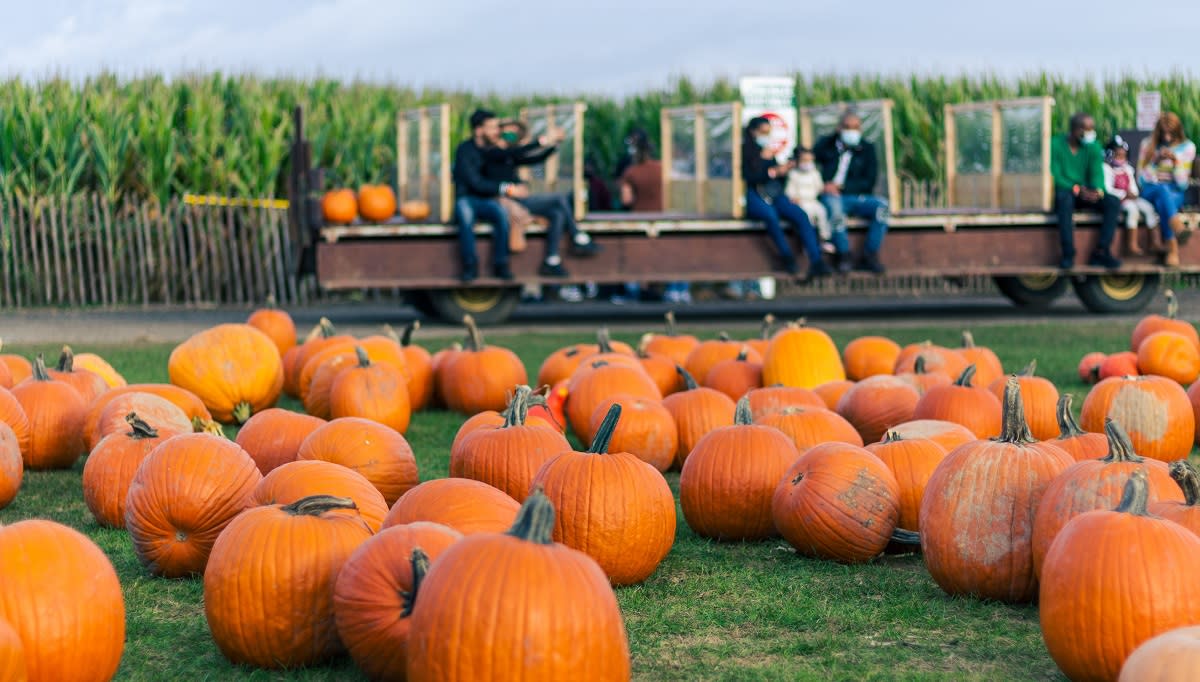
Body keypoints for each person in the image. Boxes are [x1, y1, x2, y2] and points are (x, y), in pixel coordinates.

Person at [482, 119, 602, 277]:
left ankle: (552, 259)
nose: (512, 135)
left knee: (557, 214)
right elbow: (519, 153)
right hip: (510, 202)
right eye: (509, 131)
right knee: (559, 199)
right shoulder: (494, 152)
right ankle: (577, 235)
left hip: (519, 199)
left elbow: (533, 158)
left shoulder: (509, 156)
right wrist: (543, 140)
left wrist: (554, 145)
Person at [742, 116, 830, 282]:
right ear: (753, 132)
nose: (765, 136)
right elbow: (750, 176)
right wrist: (768, 167)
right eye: (762, 132)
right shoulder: (745, 151)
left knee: (800, 215)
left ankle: (816, 260)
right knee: (770, 216)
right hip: (754, 195)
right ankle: (787, 257)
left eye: (768, 133)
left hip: (774, 194)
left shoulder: (768, 151)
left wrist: (784, 169)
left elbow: (775, 178)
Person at [618, 129, 688, 302]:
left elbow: (626, 200)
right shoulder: (663, 168)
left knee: (638, 258)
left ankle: (633, 292)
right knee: (670, 255)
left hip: (639, 221)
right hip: (663, 219)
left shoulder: (630, 172)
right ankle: (677, 291)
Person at [813, 111, 888, 273]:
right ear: (839, 128)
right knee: (835, 210)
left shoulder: (867, 149)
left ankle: (870, 254)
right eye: (847, 127)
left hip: (856, 195)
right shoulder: (826, 145)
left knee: (882, 207)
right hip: (831, 196)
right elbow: (809, 163)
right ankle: (843, 254)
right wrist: (823, 185)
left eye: (855, 128)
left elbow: (869, 181)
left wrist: (843, 187)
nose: (851, 132)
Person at [1050, 112, 1121, 270]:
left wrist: (1097, 191)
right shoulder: (1055, 145)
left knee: (1112, 202)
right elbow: (1054, 175)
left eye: (1092, 129)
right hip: (1067, 190)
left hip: (1086, 191)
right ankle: (1068, 253)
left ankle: (1102, 251)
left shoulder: (1093, 147)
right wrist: (1075, 188)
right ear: (1075, 130)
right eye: (1086, 129)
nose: (1090, 133)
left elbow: (1097, 174)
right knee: (1064, 201)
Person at [451, 109, 516, 282]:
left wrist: (544, 143)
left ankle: (501, 264)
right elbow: (475, 182)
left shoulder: (493, 149)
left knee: (502, 215)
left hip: (486, 199)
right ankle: (470, 265)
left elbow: (516, 146)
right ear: (479, 130)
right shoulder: (465, 150)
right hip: (467, 198)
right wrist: (505, 189)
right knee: (465, 215)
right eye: (492, 127)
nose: (497, 131)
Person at [1138, 112, 1196, 267]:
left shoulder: (1188, 147)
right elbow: (1141, 180)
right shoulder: (1147, 145)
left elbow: (1182, 184)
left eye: (1171, 133)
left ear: (1178, 131)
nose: (1167, 137)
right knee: (1162, 191)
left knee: (1164, 198)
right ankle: (1175, 229)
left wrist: (1175, 163)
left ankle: (1172, 247)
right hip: (1150, 189)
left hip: (1174, 191)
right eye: (1163, 133)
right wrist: (1155, 162)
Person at [1103, 135, 1158, 256]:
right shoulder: (1106, 169)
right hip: (1121, 200)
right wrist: (1123, 194)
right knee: (1133, 211)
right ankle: (1131, 244)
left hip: (1132, 197)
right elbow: (1107, 189)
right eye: (1118, 155)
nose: (1121, 158)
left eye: (1123, 156)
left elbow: (1133, 186)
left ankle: (1154, 242)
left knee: (1148, 208)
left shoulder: (1127, 169)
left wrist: (1133, 193)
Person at [786, 147, 834, 253]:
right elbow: (789, 191)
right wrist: (793, 198)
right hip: (801, 202)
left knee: (821, 212)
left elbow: (819, 187)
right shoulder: (794, 174)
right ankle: (808, 242)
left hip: (813, 201)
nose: (807, 163)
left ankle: (824, 239)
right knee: (807, 217)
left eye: (810, 160)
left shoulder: (815, 173)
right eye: (804, 160)